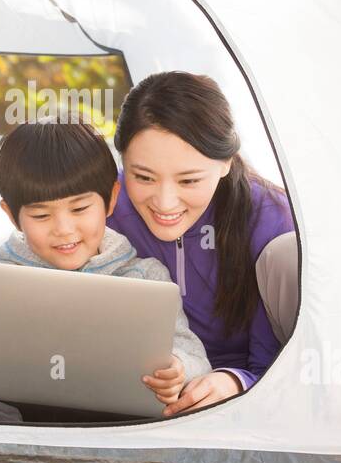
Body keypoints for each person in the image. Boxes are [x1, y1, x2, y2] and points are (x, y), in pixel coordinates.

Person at [0, 120, 211, 422]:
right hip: (18, 429)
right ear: (12, 216)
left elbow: (196, 360)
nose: (64, 230)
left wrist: (177, 369)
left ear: (111, 199)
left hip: (113, 423)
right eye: (41, 214)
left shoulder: (145, 277)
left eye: (79, 210)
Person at [106, 71, 299, 417]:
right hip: (136, 390)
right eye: (143, 176)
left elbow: (285, 360)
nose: (165, 203)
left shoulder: (270, 218)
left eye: (189, 180)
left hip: (241, 399)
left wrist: (236, 382)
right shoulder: (107, 207)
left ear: (225, 163)